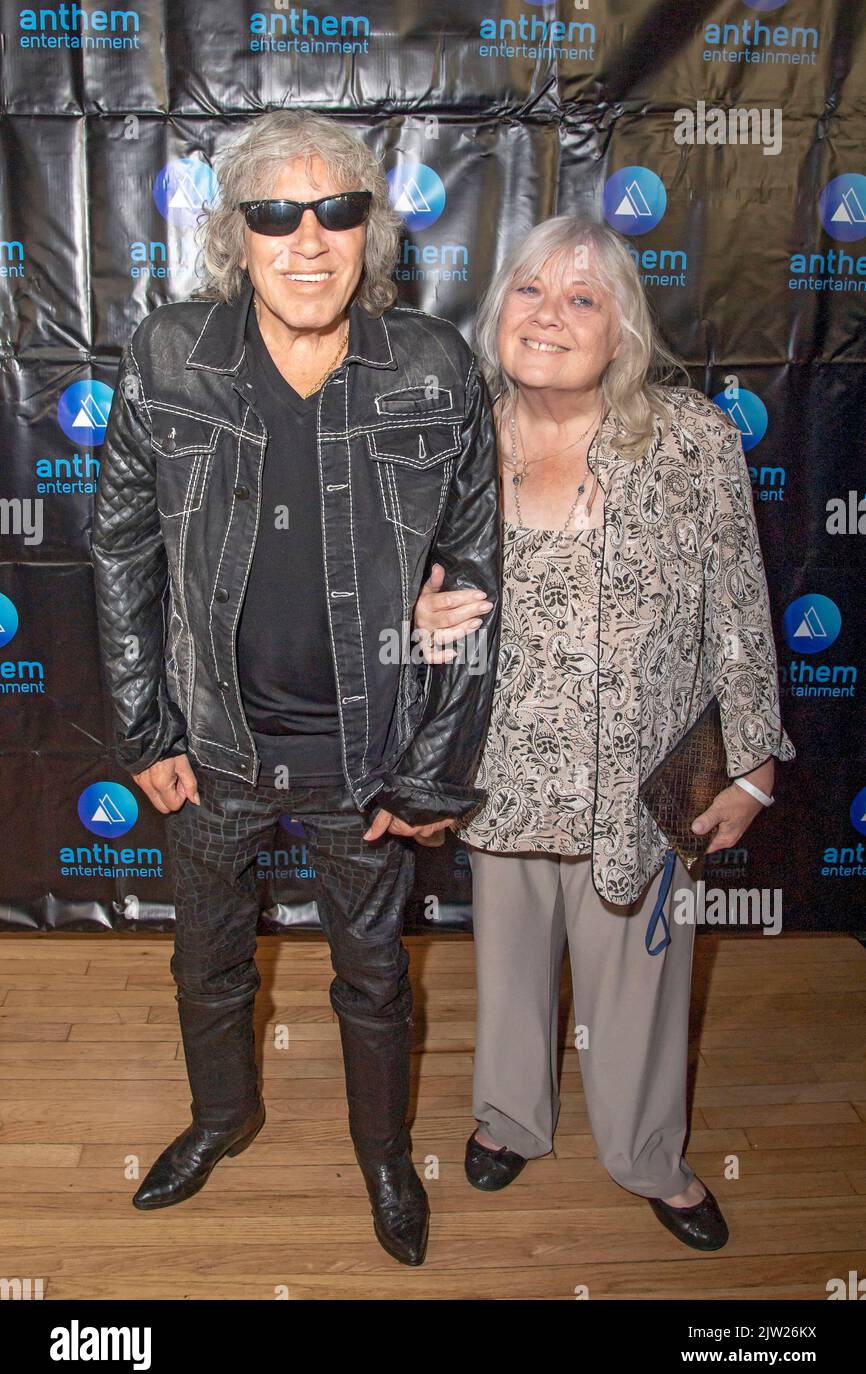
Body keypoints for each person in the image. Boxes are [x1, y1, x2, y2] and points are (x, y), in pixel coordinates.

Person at [90, 109, 501, 1266]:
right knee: (204, 961)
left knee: (374, 977)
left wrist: (431, 774)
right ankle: (221, 1118)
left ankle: (384, 1154)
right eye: (275, 213)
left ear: (371, 231)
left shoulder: (431, 367)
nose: (307, 238)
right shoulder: (169, 355)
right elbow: (121, 552)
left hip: (365, 753)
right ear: (237, 234)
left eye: (337, 209)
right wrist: (145, 731)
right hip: (210, 742)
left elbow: (475, 582)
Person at [411, 215, 795, 1251]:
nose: (549, 316)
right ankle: (509, 1118)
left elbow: (737, 606)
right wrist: (415, 614)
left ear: (622, 329)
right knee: (508, 969)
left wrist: (753, 767)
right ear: (497, 312)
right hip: (497, 772)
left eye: (581, 298)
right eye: (529, 291)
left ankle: (647, 1156)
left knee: (640, 985)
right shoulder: (451, 439)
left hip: (644, 777)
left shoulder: (692, 439)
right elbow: (387, 585)